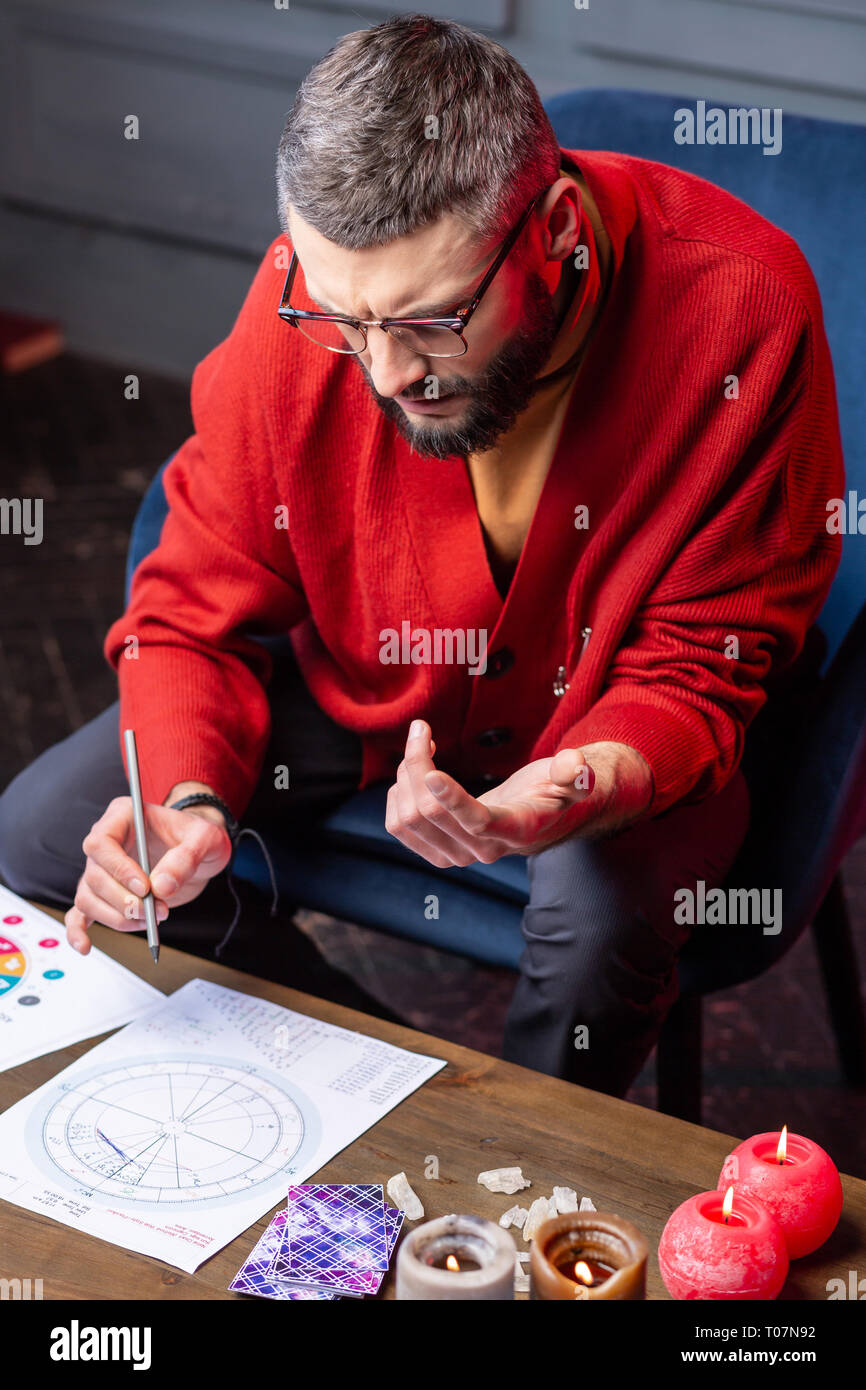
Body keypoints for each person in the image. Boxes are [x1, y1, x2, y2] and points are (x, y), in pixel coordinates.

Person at [0, 15, 843, 1096]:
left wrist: (552, 795)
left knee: (596, 922)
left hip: (626, 726)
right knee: (43, 834)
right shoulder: (303, 297)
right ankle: (408, 1097)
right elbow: (189, 597)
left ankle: (524, 1155)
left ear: (552, 227)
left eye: (432, 320)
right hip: (368, 683)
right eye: (344, 321)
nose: (386, 371)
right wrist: (191, 806)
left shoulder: (743, 311)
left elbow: (695, 663)